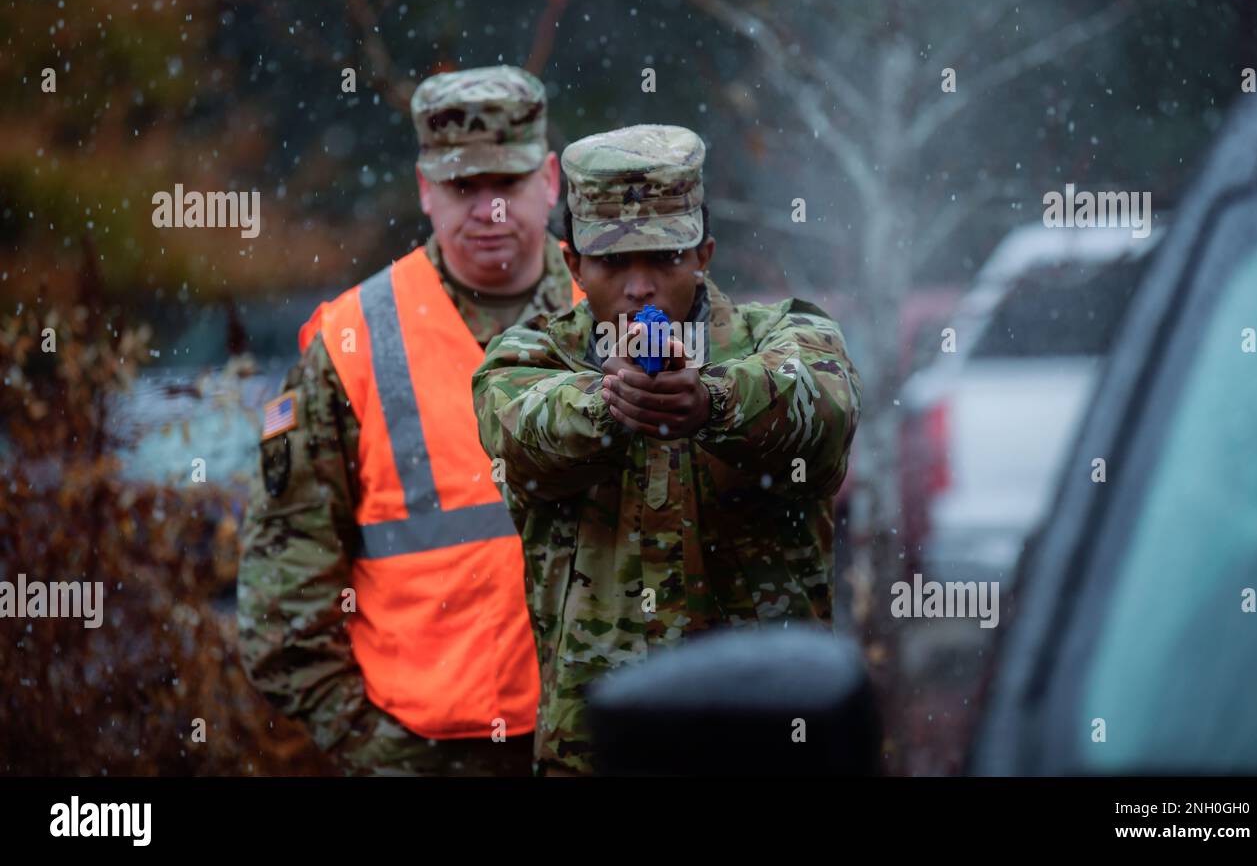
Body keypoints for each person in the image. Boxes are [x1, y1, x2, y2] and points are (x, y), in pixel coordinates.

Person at [472, 123, 861, 775]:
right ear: (573, 264)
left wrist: (715, 400)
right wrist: (610, 402)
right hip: (597, 751)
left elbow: (823, 407)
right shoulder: (530, 357)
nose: (640, 287)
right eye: (613, 262)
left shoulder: (786, 333)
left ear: (703, 254)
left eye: (663, 258)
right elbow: (521, 429)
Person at [237, 65, 581, 776]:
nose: (488, 210)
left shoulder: (617, 314)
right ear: (426, 189)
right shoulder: (354, 339)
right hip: (427, 754)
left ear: (549, 180)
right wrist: (374, 747)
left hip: (599, 741)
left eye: (508, 183)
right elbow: (285, 586)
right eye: (462, 187)